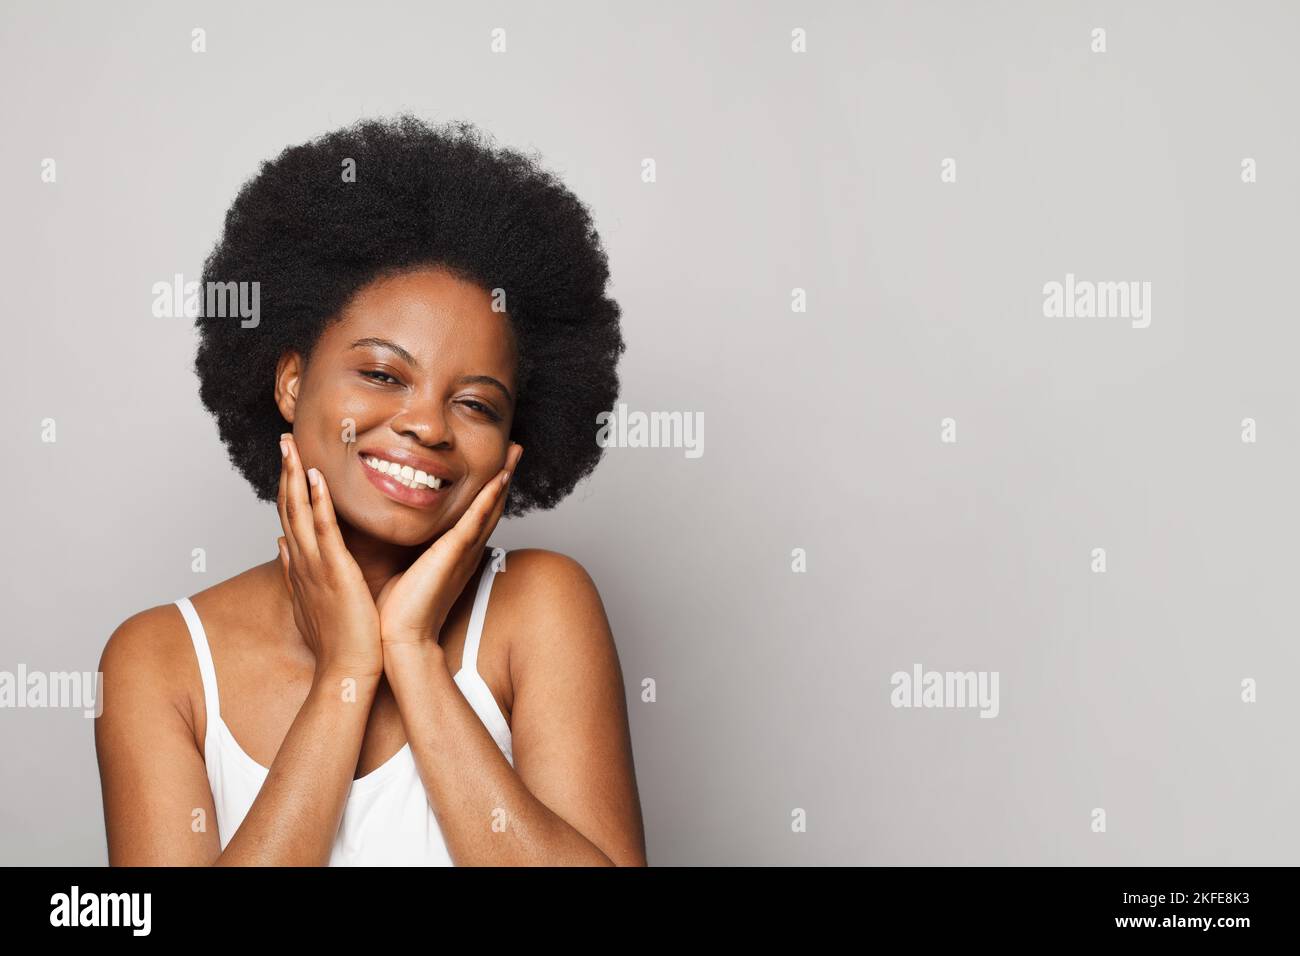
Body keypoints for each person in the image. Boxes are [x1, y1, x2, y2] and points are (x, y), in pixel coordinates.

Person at [94, 116, 646, 865]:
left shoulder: (539, 608)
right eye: (384, 374)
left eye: (476, 404)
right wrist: (347, 674)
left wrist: (412, 653)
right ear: (290, 381)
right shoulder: (159, 660)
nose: (428, 427)